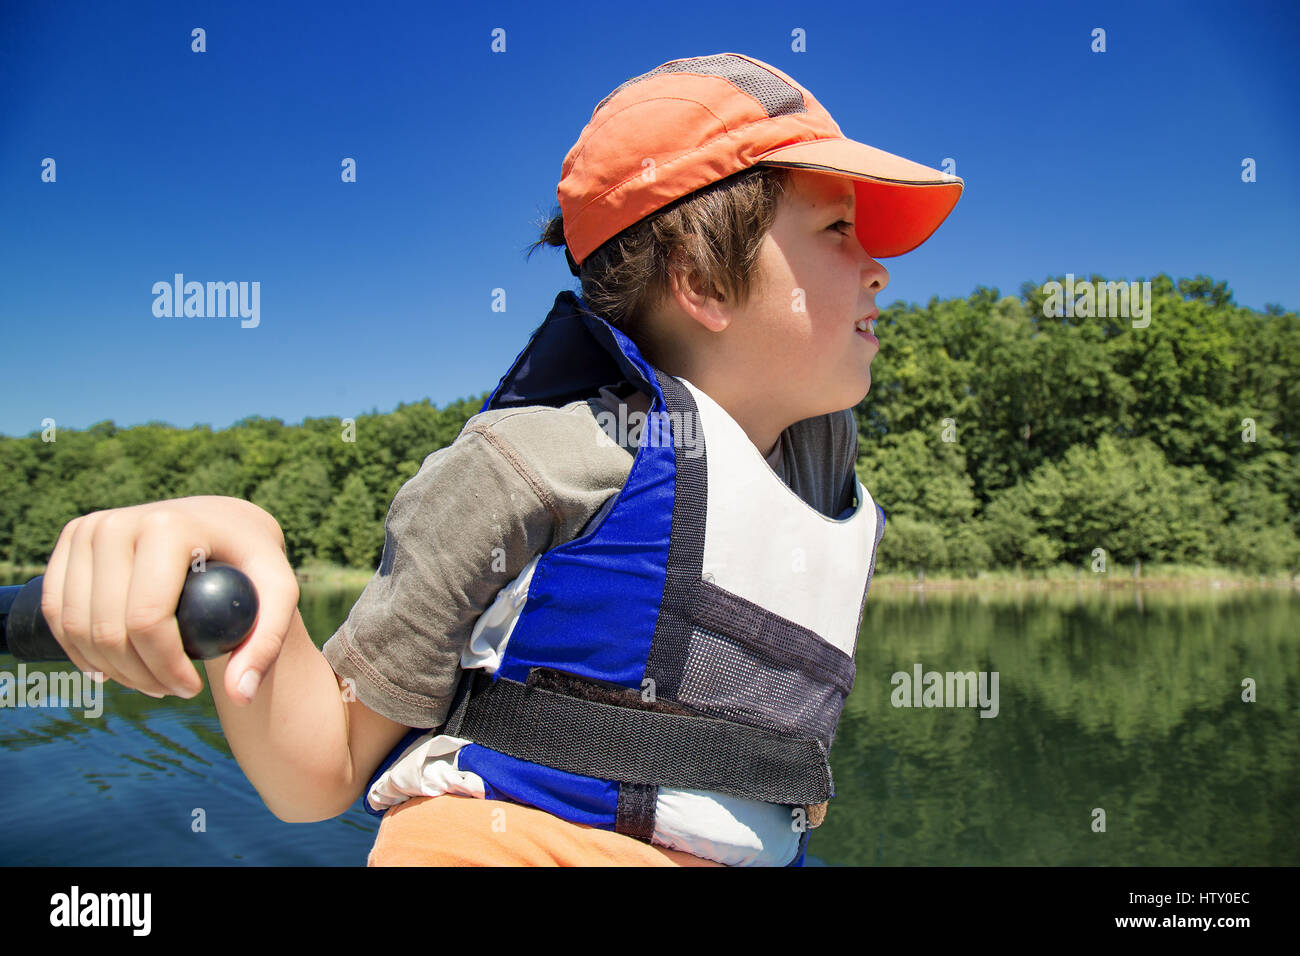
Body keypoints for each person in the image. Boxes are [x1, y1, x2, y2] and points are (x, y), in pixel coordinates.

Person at [36, 52, 962, 866]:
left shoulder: (820, 483)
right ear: (700, 280)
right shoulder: (543, 460)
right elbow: (322, 771)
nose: (879, 265)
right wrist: (232, 557)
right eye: (839, 230)